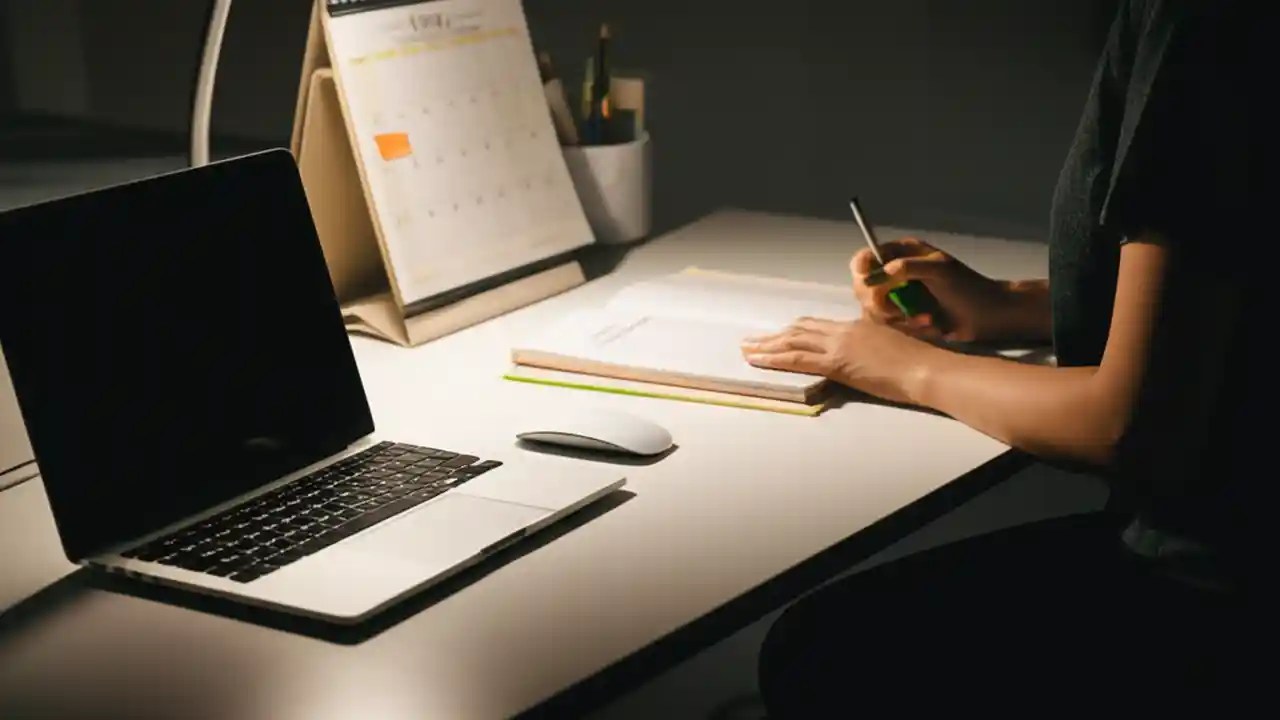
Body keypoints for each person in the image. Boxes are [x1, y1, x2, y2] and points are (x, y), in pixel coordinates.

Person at [740, 0, 1263, 713]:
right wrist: (1008, 305)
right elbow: (1234, 308)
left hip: (1220, 591)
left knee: (818, 651)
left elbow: (1129, 424)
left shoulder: (1204, 26)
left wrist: (905, 367)